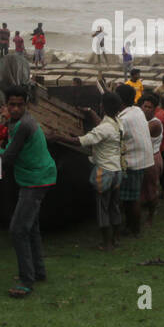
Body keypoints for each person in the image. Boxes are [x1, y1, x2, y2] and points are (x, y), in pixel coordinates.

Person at [0, 86, 57, 297]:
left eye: (20, 105)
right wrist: (4, 121)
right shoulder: (20, 121)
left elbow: (8, 158)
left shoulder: (24, 125)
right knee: (31, 227)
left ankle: (26, 280)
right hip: (36, 176)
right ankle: (38, 271)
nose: (16, 108)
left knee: (18, 230)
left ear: (26, 105)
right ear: (6, 105)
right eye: (12, 105)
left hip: (35, 180)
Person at [64, 91, 124, 250]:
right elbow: (102, 127)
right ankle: (116, 238)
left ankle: (107, 243)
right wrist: (90, 112)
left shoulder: (104, 128)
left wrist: (56, 137)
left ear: (102, 106)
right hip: (117, 171)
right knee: (114, 206)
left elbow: (81, 141)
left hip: (104, 173)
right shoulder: (118, 123)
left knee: (102, 208)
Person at [115, 83, 154, 236]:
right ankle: (131, 227)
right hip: (144, 159)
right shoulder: (136, 110)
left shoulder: (123, 119)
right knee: (132, 197)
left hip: (134, 162)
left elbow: (111, 134)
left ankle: (134, 229)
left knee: (131, 199)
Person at [137, 92, 164, 227]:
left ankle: (151, 216)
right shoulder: (143, 121)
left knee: (151, 190)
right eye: (144, 106)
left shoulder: (154, 124)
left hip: (152, 160)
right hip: (144, 158)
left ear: (154, 109)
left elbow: (137, 134)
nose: (146, 109)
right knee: (143, 189)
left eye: (150, 107)